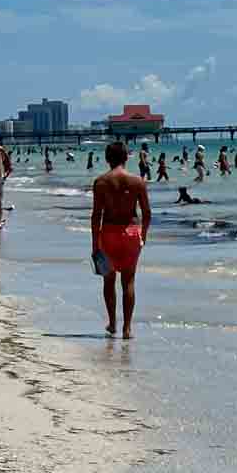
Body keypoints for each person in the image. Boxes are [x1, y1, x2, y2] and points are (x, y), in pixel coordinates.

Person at [91, 140, 153, 339]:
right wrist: (143, 235)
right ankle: (127, 328)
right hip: (131, 233)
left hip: (108, 232)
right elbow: (147, 212)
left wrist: (95, 243)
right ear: (127, 157)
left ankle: (112, 323)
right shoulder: (137, 182)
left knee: (109, 281)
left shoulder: (101, 182)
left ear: (108, 159)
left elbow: (96, 215)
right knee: (129, 281)